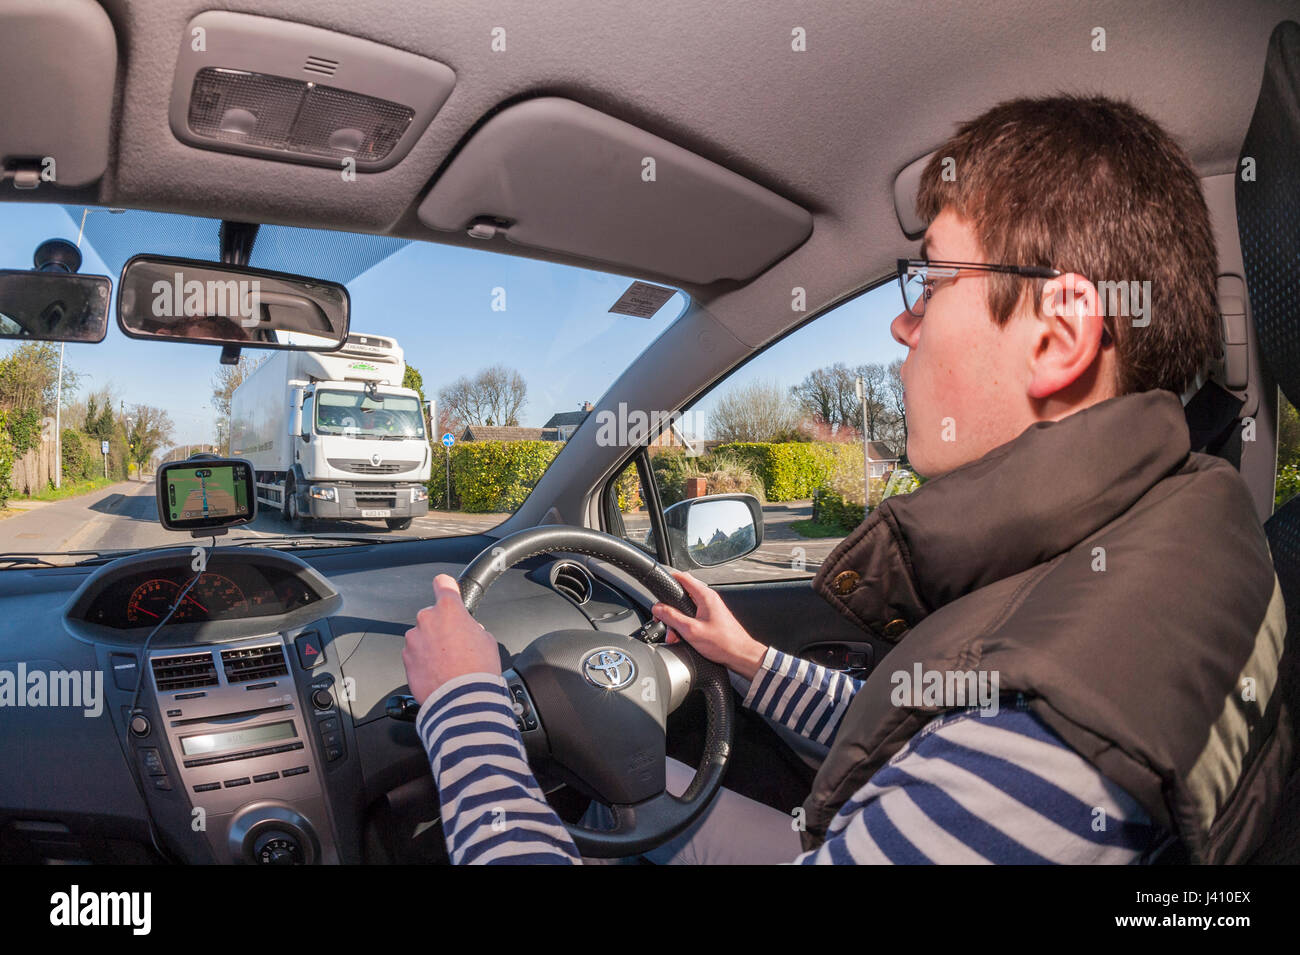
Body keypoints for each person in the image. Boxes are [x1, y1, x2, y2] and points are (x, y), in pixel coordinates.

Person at [402, 94, 1291, 864]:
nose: (904, 329)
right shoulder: (1196, 529)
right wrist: (748, 660)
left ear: (1057, 335)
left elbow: (980, 752)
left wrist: (467, 714)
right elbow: (922, 729)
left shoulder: (1050, 752)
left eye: (934, 281)